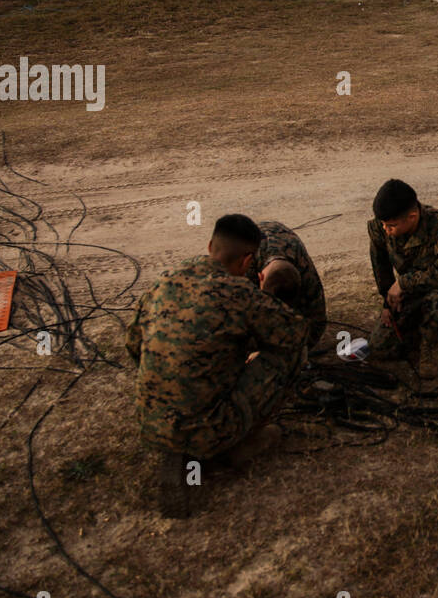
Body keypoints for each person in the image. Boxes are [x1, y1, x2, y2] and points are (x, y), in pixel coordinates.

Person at [125, 213, 307, 516]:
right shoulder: (239, 293)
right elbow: (294, 334)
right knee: (290, 354)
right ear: (248, 261)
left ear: (210, 245)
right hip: (209, 427)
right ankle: (228, 447)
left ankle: (178, 440)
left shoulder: (166, 279)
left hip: (150, 419)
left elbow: (133, 344)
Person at [366, 179, 438, 379]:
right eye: (383, 224)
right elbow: (381, 267)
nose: (385, 229)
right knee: (380, 349)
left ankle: (434, 341)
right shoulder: (381, 226)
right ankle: (425, 323)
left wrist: (403, 283)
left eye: (391, 226)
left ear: (412, 216)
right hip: (411, 291)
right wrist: (387, 304)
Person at [246, 219, 327, 352]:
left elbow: (317, 320)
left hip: (282, 239)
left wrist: (298, 351)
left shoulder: (303, 267)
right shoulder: (244, 265)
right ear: (259, 277)